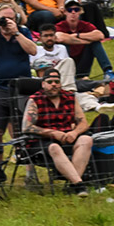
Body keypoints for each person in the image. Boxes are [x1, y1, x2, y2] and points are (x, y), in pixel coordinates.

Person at [21, 67, 93, 195]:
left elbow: (83, 122)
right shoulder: (35, 100)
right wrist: (53, 133)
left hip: (67, 137)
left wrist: (74, 133)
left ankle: (73, 183)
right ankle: (78, 185)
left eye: (56, 81)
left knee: (86, 139)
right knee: (54, 147)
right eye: (49, 82)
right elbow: (26, 127)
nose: (53, 85)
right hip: (42, 141)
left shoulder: (70, 97)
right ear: (43, 84)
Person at [0, 3, 36, 147]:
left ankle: (22, 157)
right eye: (3, 19)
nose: (7, 22)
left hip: (21, 87)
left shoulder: (23, 32)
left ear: (16, 19)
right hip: (0, 88)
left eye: (10, 19)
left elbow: (33, 50)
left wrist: (16, 33)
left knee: (20, 130)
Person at [55, 0, 114, 80]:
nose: (73, 12)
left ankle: (108, 71)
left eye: (76, 9)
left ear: (80, 12)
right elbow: (59, 38)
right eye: (69, 10)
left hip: (83, 64)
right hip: (67, 65)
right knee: (64, 45)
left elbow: (100, 35)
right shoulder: (60, 25)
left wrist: (77, 35)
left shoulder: (85, 25)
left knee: (95, 43)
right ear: (65, 12)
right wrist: (86, 41)